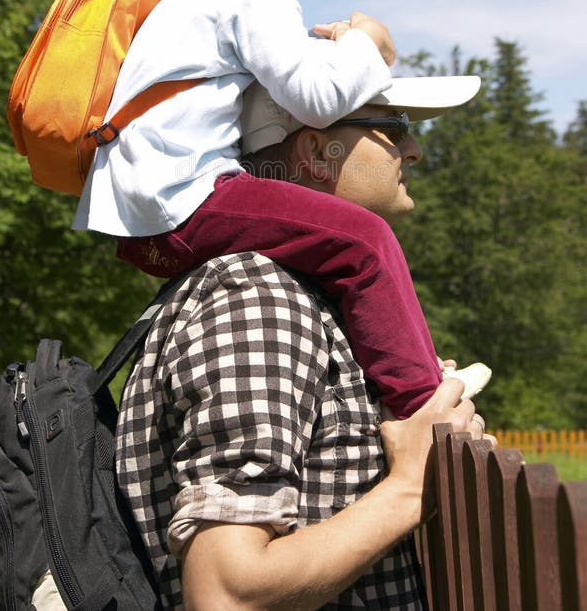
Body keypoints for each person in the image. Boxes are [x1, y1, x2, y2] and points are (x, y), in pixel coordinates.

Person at [74, 0, 479, 418]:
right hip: (182, 196)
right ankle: (422, 400)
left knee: (323, 240)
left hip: (158, 202)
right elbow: (312, 99)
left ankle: (415, 364)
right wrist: (370, 43)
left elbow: (270, 113)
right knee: (363, 240)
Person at [116, 74, 494, 609]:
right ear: (316, 150)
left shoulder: (306, 298)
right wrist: (410, 487)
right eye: (395, 128)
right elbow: (226, 591)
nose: (414, 150)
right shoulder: (258, 298)